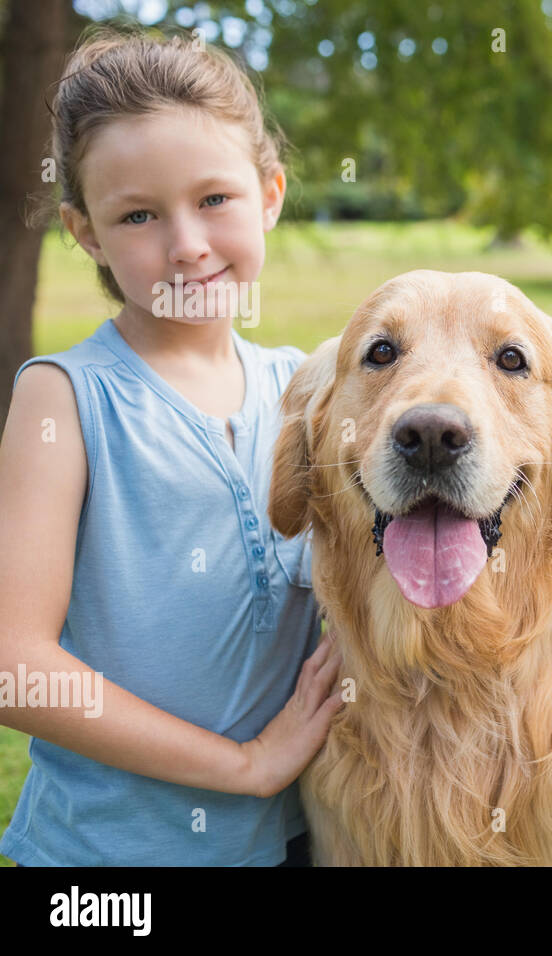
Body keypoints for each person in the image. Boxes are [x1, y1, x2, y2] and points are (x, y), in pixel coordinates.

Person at [0, 30, 342, 866]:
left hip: (296, 840)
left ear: (270, 193)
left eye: (214, 199)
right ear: (85, 232)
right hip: (108, 860)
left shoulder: (304, 388)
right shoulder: (67, 397)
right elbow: (14, 663)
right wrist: (246, 766)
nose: (186, 242)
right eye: (139, 215)